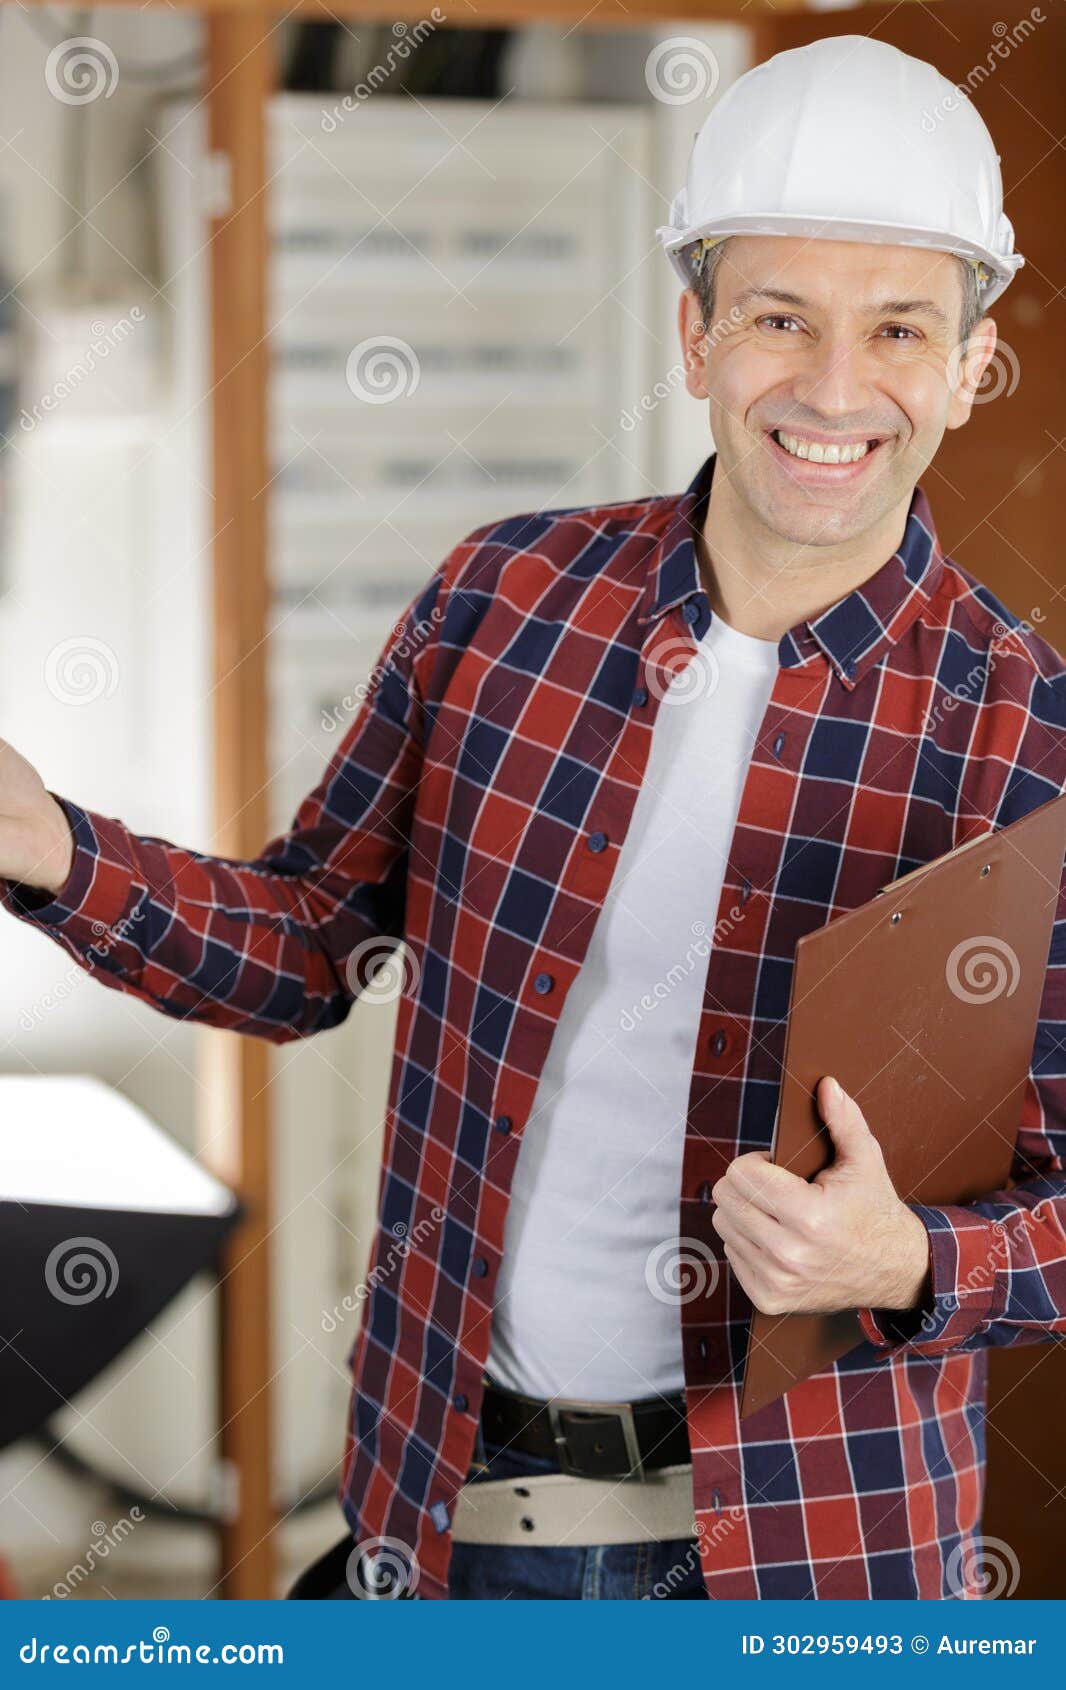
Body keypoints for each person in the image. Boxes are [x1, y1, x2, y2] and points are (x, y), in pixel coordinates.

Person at [2, 34, 1063, 1601]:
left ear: (969, 369)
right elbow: (313, 942)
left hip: (805, 1566)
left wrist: (910, 1262)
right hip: (444, 1517)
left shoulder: (1024, 733)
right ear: (696, 330)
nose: (834, 390)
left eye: (897, 329)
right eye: (779, 318)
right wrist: (50, 849)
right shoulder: (507, 601)